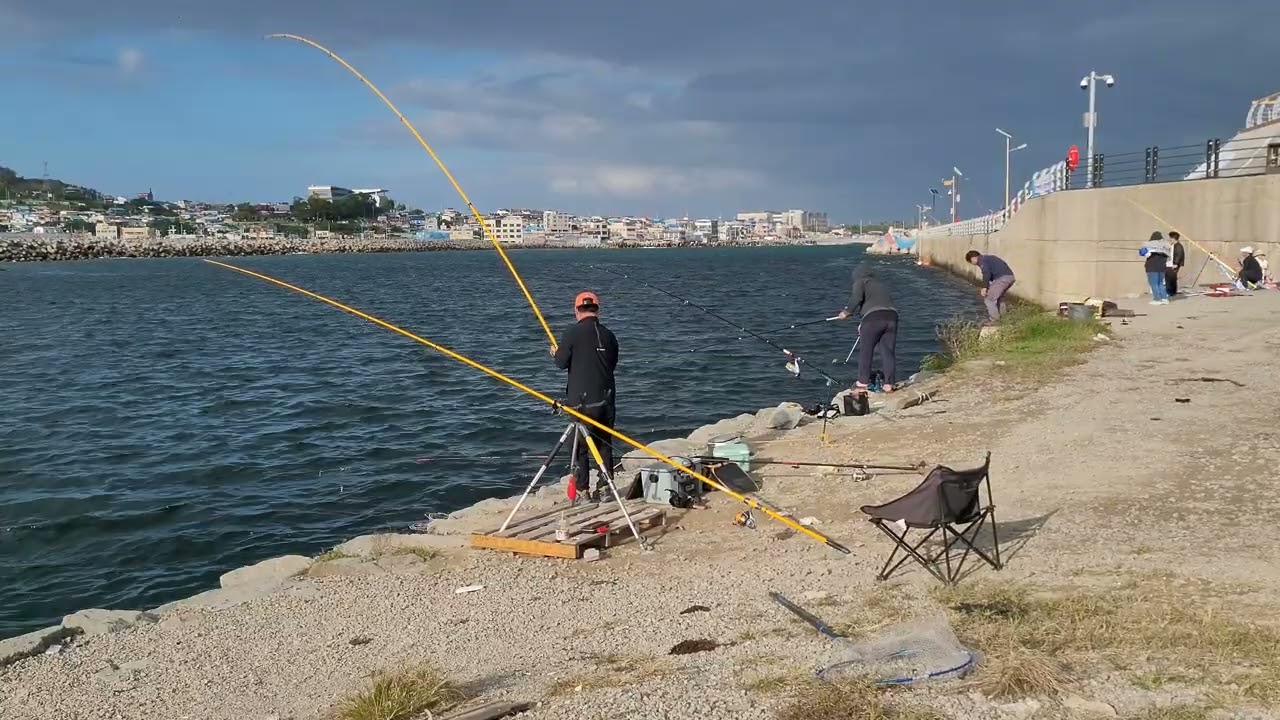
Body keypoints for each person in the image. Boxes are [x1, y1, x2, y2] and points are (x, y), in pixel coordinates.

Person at [552, 290, 619, 502]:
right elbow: (611, 364)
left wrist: (556, 352)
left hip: (581, 403)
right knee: (603, 443)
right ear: (597, 310)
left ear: (576, 311)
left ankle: (583, 490)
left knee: (580, 446)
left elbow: (561, 363)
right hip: (606, 400)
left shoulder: (572, 333)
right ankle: (607, 486)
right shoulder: (609, 335)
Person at [837, 264, 897, 395]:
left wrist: (846, 312)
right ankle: (889, 385)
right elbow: (878, 304)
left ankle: (862, 383)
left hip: (873, 319)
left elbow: (856, 298)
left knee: (866, 350)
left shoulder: (860, 282)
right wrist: (862, 323)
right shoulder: (881, 285)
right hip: (892, 317)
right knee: (888, 351)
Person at [964, 250, 1016, 323]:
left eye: (970, 262)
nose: (973, 264)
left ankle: (995, 321)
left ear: (973, 258)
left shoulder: (981, 260)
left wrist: (985, 287)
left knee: (989, 299)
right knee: (999, 299)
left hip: (1002, 279)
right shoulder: (988, 258)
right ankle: (1004, 320)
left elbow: (986, 273)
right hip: (1010, 277)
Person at [1140, 231, 1171, 305]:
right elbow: (1168, 257)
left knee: (1153, 283)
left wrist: (1147, 253)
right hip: (1162, 267)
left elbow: (1142, 252)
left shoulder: (1148, 245)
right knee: (1160, 283)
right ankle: (1164, 298)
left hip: (1151, 267)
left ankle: (1157, 299)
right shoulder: (1165, 247)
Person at [1165, 231, 1186, 296]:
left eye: (1170, 238)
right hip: (1172, 264)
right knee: (1172, 278)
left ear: (1173, 238)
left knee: (1170, 277)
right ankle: (1172, 292)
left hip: (1174, 264)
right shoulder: (1175, 245)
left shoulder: (1178, 246)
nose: (1169, 239)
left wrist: (1175, 264)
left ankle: (1170, 292)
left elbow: (1179, 255)